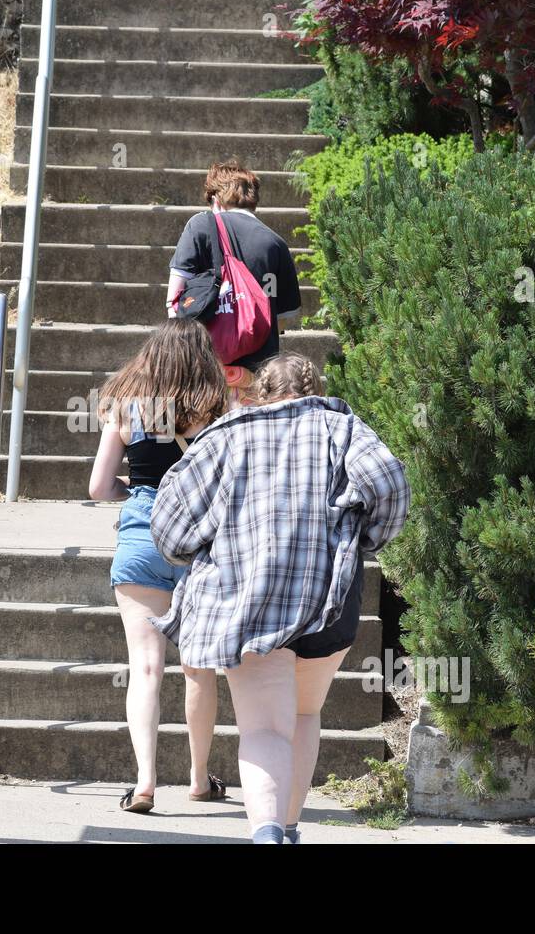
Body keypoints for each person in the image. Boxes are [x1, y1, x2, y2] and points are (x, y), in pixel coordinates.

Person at [149, 353, 410, 843]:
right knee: (305, 714)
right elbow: (391, 482)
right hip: (329, 598)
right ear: (315, 388)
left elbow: (168, 525)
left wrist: (200, 545)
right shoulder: (344, 429)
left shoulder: (224, 436)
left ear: (260, 391)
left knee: (264, 727)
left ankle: (267, 834)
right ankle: (290, 829)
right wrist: (363, 536)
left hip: (247, 599)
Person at [88, 319, 230, 812]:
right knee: (199, 669)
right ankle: (197, 778)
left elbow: (99, 487)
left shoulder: (125, 408)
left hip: (142, 537)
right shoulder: (213, 412)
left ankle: (145, 781)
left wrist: (140, 495)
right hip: (198, 543)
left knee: (145, 667)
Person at [165, 160, 302, 404]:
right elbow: (283, 316)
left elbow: (174, 303)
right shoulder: (275, 243)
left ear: (215, 200)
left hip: (205, 371)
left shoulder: (200, 225)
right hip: (257, 378)